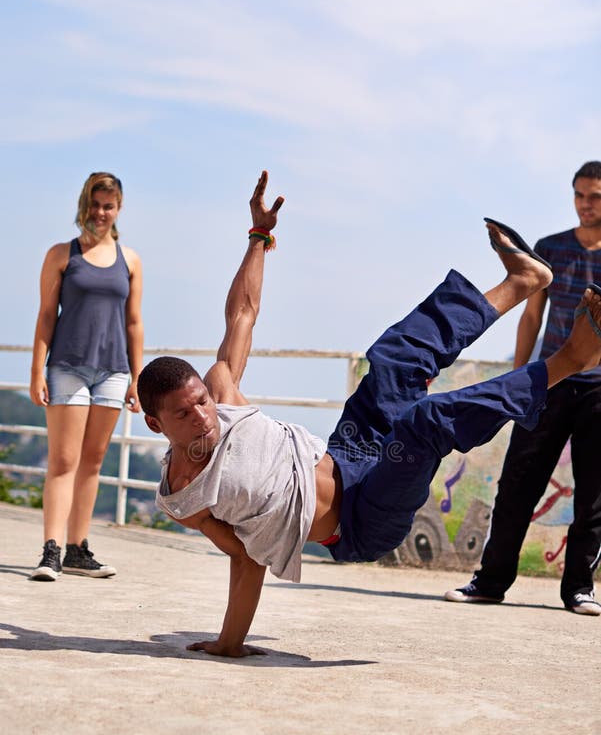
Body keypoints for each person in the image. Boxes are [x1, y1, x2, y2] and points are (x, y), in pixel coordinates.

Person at [137, 171, 601, 658]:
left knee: (395, 361)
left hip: (350, 452)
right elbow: (247, 557)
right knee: (426, 424)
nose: (203, 416)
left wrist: (259, 237)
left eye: (202, 402)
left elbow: (243, 314)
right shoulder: (185, 496)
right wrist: (230, 643)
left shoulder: (222, 394)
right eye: (184, 414)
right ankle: (569, 361)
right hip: (360, 524)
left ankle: (522, 281)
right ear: (155, 424)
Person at [446, 161, 601, 616]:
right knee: (515, 486)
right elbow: (532, 317)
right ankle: (491, 582)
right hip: (549, 381)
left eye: (595, 196)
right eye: (580, 195)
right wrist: (520, 383)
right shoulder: (551, 249)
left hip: (599, 389)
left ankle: (579, 589)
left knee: (593, 495)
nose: (586, 204)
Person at [29, 171, 144, 581]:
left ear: (118, 208)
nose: (100, 212)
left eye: (108, 205)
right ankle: (51, 550)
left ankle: (78, 549)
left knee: (93, 462)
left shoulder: (129, 260)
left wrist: (136, 376)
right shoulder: (62, 254)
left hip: (113, 370)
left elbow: (133, 323)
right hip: (68, 366)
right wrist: (36, 371)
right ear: (85, 204)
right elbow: (46, 316)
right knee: (63, 460)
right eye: (95, 204)